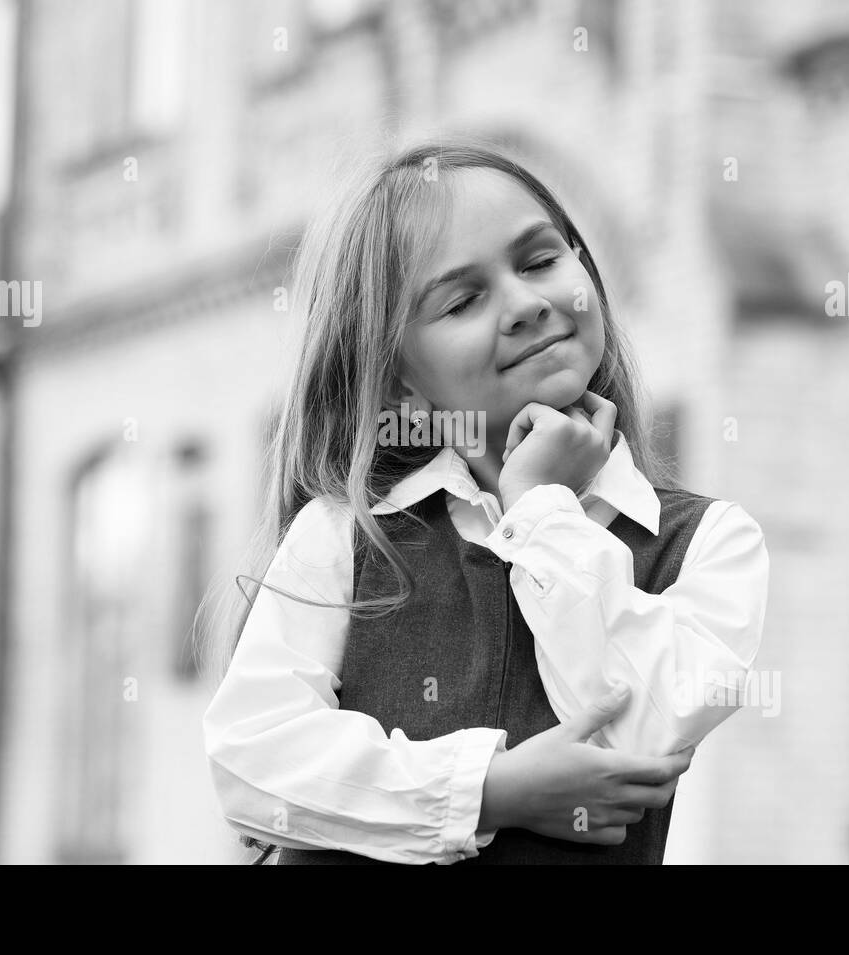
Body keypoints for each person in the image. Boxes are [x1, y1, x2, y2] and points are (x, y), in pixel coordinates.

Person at [201, 137, 770, 865]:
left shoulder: (707, 543)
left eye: (540, 261)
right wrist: (489, 791)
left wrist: (539, 507)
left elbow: (636, 734)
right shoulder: (346, 537)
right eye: (464, 300)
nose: (527, 304)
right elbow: (253, 760)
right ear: (401, 381)